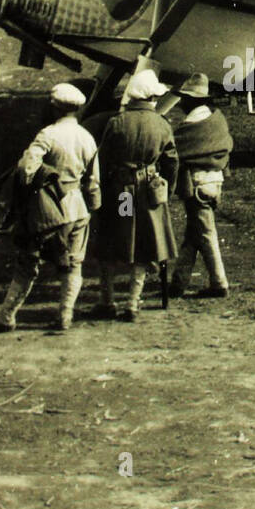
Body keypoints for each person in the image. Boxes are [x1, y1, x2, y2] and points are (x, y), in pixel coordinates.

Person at [0, 83, 101, 332]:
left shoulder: (47, 135)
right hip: (76, 207)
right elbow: (93, 181)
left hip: (45, 209)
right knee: (73, 264)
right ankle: (65, 315)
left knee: (27, 262)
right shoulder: (87, 137)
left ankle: (7, 315)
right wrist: (92, 206)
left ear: (55, 108)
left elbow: (26, 170)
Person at [93, 70, 178, 321]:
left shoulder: (117, 122)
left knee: (114, 239)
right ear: (152, 97)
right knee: (145, 242)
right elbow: (172, 161)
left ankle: (107, 300)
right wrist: (167, 190)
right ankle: (132, 302)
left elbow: (103, 158)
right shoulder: (162, 124)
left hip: (123, 194)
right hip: (149, 193)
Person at [168, 73, 233, 299]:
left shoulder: (191, 124)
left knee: (206, 233)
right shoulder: (217, 119)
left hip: (197, 184)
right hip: (215, 182)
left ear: (193, 100)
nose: (182, 103)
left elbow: (178, 151)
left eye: (185, 99)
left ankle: (219, 282)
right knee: (194, 233)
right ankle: (178, 282)